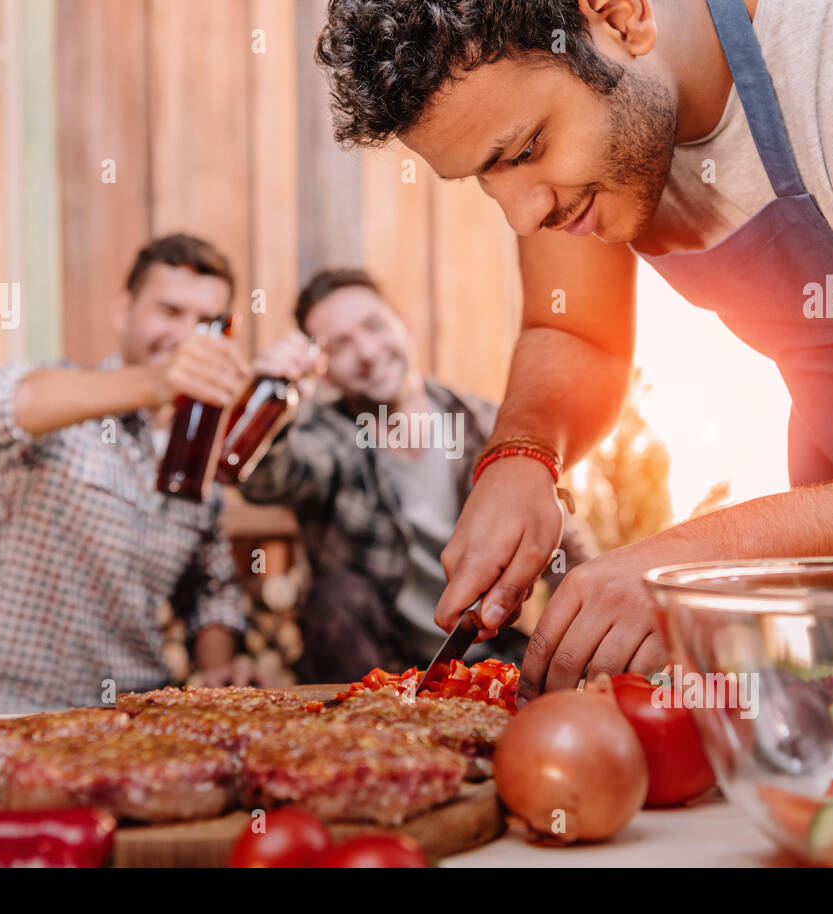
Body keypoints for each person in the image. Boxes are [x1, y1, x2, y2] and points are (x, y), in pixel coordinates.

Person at [315, 0, 833, 704]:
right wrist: (522, 454)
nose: (521, 212)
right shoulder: (594, 119)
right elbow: (573, 331)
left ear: (620, 15)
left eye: (526, 151)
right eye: (485, 175)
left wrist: (692, 565)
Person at [238, 267, 597, 683]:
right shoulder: (328, 437)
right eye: (340, 346)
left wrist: (596, 627)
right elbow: (264, 478)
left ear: (404, 327)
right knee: (334, 597)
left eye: (373, 326)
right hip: (375, 666)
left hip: (483, 655)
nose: (368, 352)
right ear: (323, 369)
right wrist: (266, 402)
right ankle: (362, 740)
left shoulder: (487, 426)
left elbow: (561, 543)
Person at [0, 234, 254, 712]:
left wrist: (218, 665)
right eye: (169, 312)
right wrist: (157, 383)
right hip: (6, 707)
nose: (188, 338)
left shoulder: (200, 457)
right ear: (122, 312)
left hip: (133, 713)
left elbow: (210, 590)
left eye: (207, 324)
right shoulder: (68, 406)